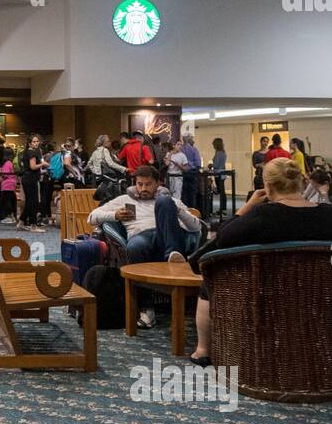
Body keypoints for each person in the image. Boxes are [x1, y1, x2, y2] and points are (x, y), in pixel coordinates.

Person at [188, 158, 332, 365]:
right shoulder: (327, 214)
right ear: (301, 182)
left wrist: (247, 207)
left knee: (209, 281)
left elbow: (222, 238)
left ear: (267, 185)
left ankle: (203, 351)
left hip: (266, 296)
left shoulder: (261, 216)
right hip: (317, 298)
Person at [87, 165, 201, 329]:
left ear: (158, 184)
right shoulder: (124, 200)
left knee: (164, 201)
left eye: (148, 184)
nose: (143, 188)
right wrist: (114, 215)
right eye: (139, 184)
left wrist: (178, 212)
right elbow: (92, 217)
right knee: (135, 246)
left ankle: (173, 254)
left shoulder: (169, 201)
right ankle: (146, 308)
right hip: (141, 237)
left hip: (166, 238)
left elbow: (196, 228)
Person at [17, 134, 47, 232]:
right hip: (30, 179)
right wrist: (43, 164)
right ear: (30, 143)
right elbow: (33, 166)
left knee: (30, 202)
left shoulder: (26, 151)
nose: (36, 143)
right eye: (34, 141)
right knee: (33, 202)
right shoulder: (32, 152)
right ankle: (33, 226)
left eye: (37, 141)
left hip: (27, 178)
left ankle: (21, 222)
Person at [0, 151, 18, 224]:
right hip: (12, 184)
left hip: (7, 185)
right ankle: (13, 217)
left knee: (6, 202)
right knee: (12, 201)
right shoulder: (11, 163)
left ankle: (8, 217)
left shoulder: (7, 163)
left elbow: (5, 174)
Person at [180, 133, 201, 208]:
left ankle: (185, 211)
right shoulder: (194, 149)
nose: (193, 141)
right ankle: (193, 211)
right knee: (192, 194)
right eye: (192, 139)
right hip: (193, 173)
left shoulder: (180, 149)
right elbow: (198, 163)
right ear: (188, 140)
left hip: (182, 174)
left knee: (184, 194)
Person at [209, 137, 228, 214]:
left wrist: (211, 165)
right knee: (222, 191)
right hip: (222, 173)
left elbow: (216, 164)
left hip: (218, 174)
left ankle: (222, 208)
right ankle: (223, 208)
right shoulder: (223, 152)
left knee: (221, 191)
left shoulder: (218, 153)